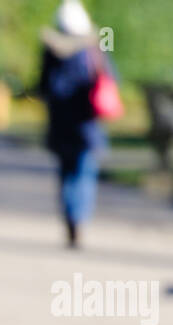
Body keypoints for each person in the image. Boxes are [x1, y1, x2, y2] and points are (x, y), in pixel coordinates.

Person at [38, 0, 114, 248]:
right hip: (87, 123)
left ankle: (71, 218)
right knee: (83, 174)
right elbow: (111, 78)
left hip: (62, 123)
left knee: (66, 174)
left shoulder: (51, 50)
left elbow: (45, 86)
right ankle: (78, 218)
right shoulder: (94, 48)